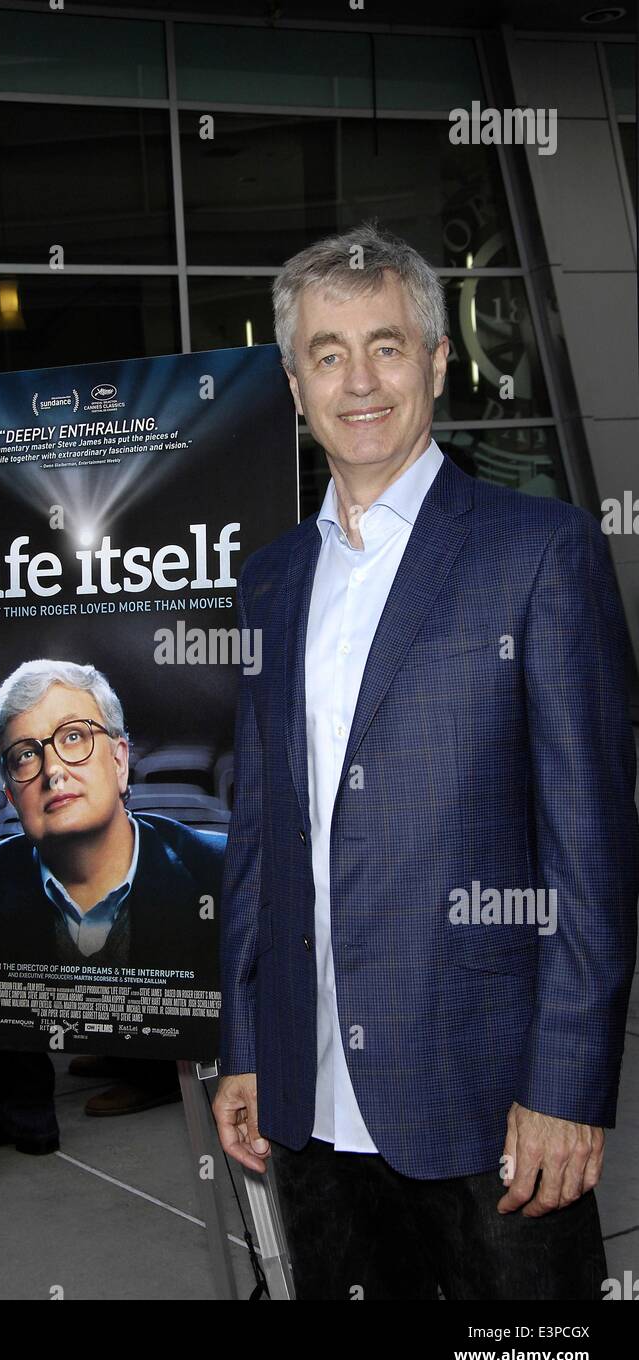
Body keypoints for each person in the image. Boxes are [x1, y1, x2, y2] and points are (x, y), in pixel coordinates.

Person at [213, 222, 639, 1300]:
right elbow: (257, 835)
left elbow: (592, 849)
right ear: (293, 382)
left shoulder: (538, 551)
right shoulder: (268, 581)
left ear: (438, 364)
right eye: (325, 353)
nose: (358, 380)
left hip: (492, 1104)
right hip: (309, 1101)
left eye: (386, 345)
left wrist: (566, 1085)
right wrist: (246, 1042)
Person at [0, 659, 221, 1185]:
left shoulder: (218, 870)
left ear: (120, 759)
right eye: (25, 756)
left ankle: (30, 1114)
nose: (53, 769)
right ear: (12, 795)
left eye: (75, 737)